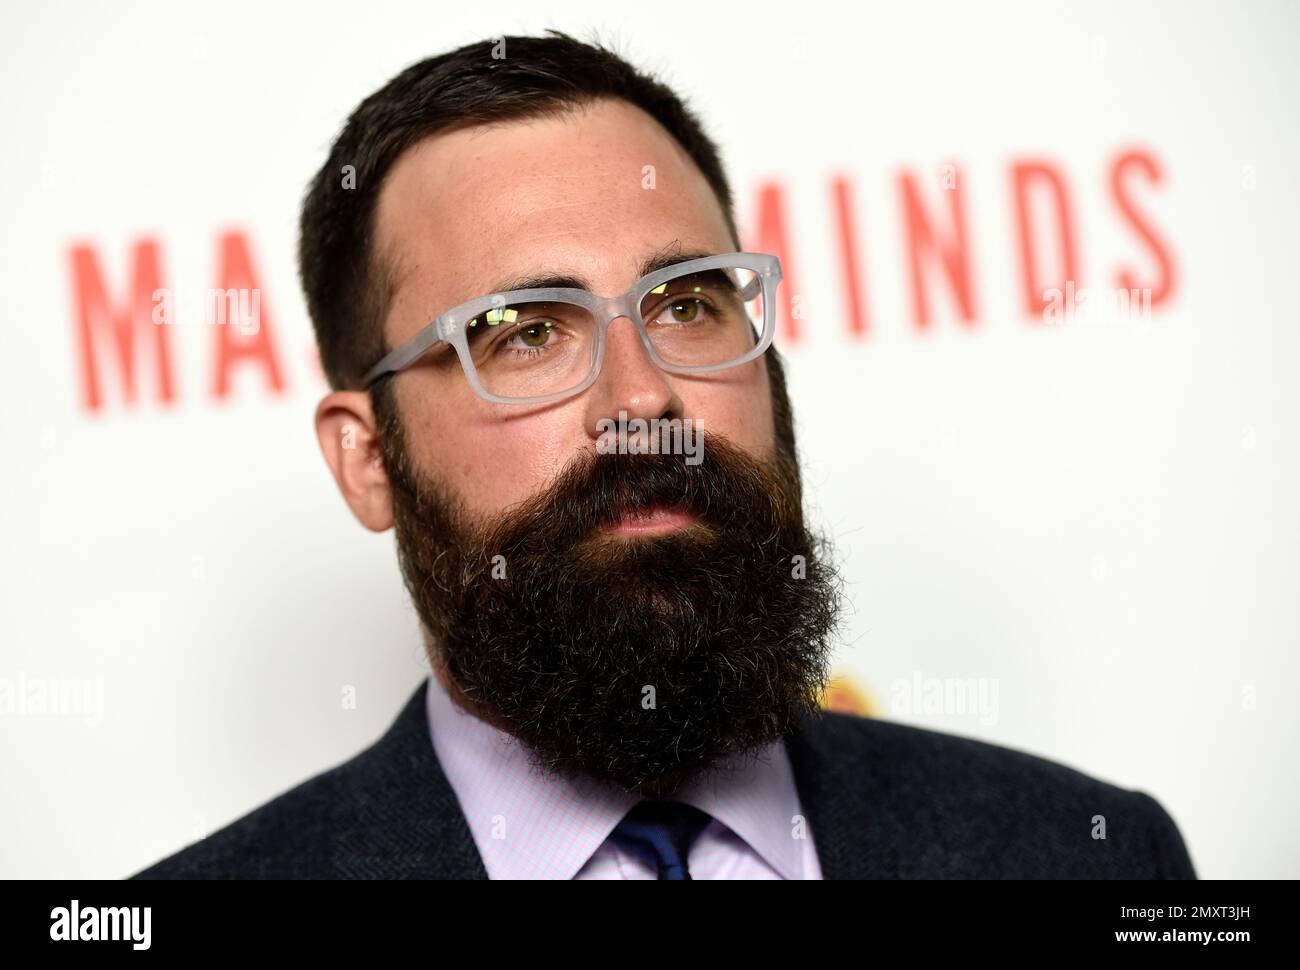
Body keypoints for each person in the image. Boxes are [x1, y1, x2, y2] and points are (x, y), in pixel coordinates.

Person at [131, 30, 1195, 880]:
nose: (642, 399)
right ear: (366, 459)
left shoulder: (1087, 852)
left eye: (687, 304)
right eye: (526, 332)